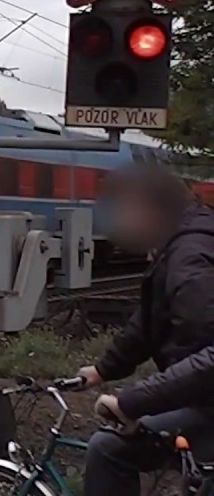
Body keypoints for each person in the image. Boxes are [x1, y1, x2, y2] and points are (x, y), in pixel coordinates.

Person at [80, 162, 214, 496]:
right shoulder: (183, 243)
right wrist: (102, 369)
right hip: (203, 397)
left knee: (109, 449)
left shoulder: (189, 257)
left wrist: (131, 402)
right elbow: (150, 320)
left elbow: (209, 356)